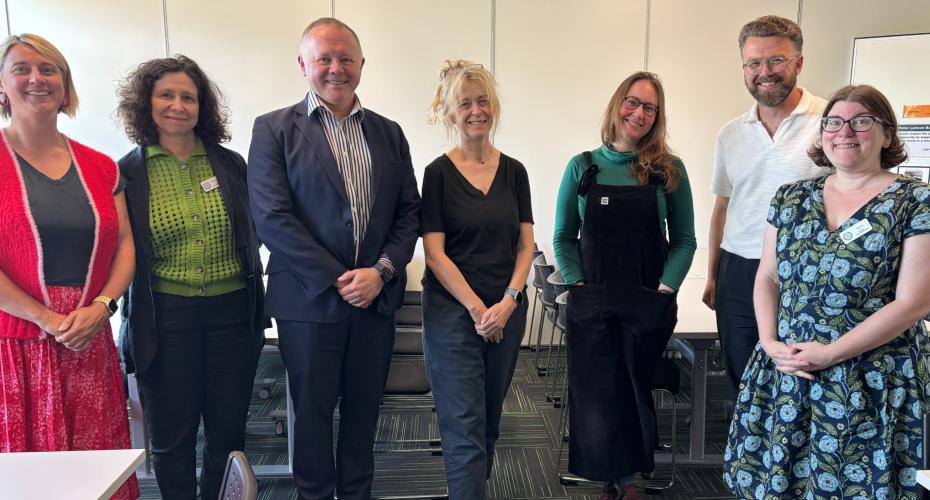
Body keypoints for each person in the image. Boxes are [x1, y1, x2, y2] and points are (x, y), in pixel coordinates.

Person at [724, 84, 930, 499]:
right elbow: (767, 277)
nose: (845, 131)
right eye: (834, 122)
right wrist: (768, 342)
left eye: (861, 121)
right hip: (790, 369)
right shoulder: (791, 197)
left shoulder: (915, 200)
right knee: (783, 481)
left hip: (872, 378)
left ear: (887, 134)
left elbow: (914, 303)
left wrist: (832, 354)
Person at [247, 17, 420, 500]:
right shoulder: (274, 130)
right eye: (324, 58)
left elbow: (409, 213)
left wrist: (381, 272)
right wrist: (342, 278)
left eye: (346, 58)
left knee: (365, 414)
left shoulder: (389, 133)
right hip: (308, 302)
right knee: (313, 415)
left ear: (362, 65)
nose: (336, 68)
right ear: (303, 64)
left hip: (376, 301)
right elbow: (272, 219)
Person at [116, 55, 265, 499]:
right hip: (165, 319)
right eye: (167, 95)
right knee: (171, 439)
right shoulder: (128, 171)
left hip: (233, 314)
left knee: (227, 432)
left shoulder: (230, 164)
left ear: (203, 107)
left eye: (189, 97)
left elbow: (253, 231)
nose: (178, 105)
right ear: (146, 103)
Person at [0, 34, 138, 498]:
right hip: (16, 344)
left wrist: (102, 306)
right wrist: (45, 318)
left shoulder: (101, 167)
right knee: (28, 473)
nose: (36, 78)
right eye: (21, 68)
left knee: (95, 466)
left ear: (65, 85)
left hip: (87, 336)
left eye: (49, 69)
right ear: (2, 85)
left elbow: (123, 245)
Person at [553, 71, 696, 500]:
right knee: (597, 391)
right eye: (632, 102)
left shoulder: (668, 170)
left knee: (635, 383)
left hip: (646, 300)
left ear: (657, 116)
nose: (638, 112)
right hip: (592, 297)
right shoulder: (583, 166)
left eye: (648, 107)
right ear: (618, 105)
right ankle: (609, 479)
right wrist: (578, 283)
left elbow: (684, 239)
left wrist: (665, 290)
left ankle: (630, 479)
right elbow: (563, 236)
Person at [420, 59, 534, 500]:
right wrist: (476, 308)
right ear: (450, 112)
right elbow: (434, 253)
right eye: (464, 103)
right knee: (463, 420)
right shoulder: (437, 174)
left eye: (482, 100)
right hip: (453, 313)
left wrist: (508, 301)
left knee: (488, 418)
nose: (475, 110)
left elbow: (526, 246)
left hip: (505, 312)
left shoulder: (515, 172)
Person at [703, 15, 830, 407]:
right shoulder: (731, 133)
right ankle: (751, 464)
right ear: (743, 68)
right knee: (743, 375)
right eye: (754, 63)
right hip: (739, 270)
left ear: (799, 63)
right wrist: (713, 275)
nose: (765, 73)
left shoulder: (831, 123)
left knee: (804, 377)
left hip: (807, 271)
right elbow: (722, 206)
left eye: (776, 60)